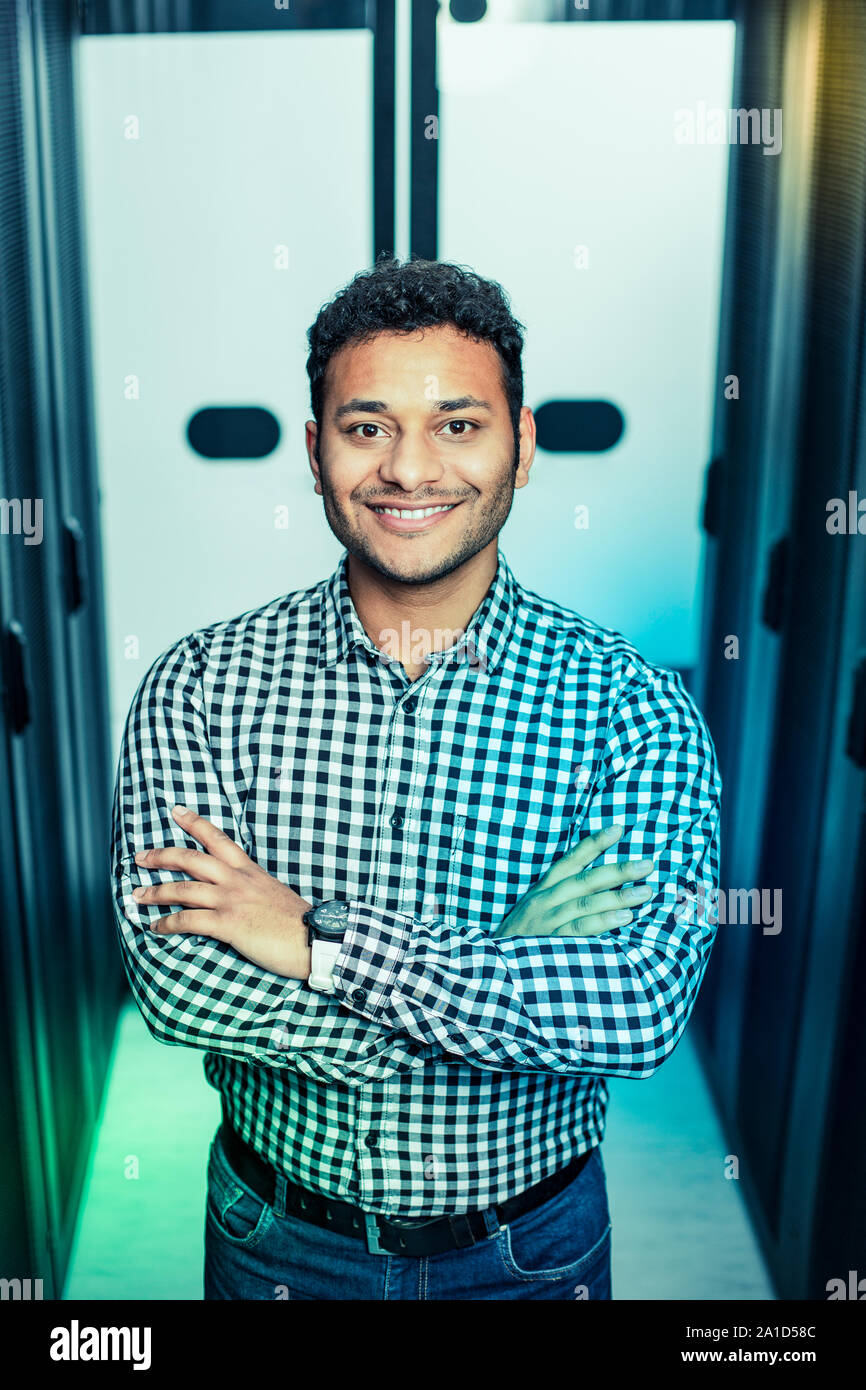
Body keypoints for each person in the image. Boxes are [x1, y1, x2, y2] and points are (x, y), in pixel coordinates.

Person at [111, 256, 722, 1301]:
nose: (407, 468)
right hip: (278, 1241)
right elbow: (179, 986)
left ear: (520, 448)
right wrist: (503, 972)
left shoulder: (631, 707)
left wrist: (316, 943)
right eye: (366, 427)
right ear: (315, 453)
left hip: (528, 1252)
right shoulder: (200, 685)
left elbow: (634, 1009)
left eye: (456, 424)